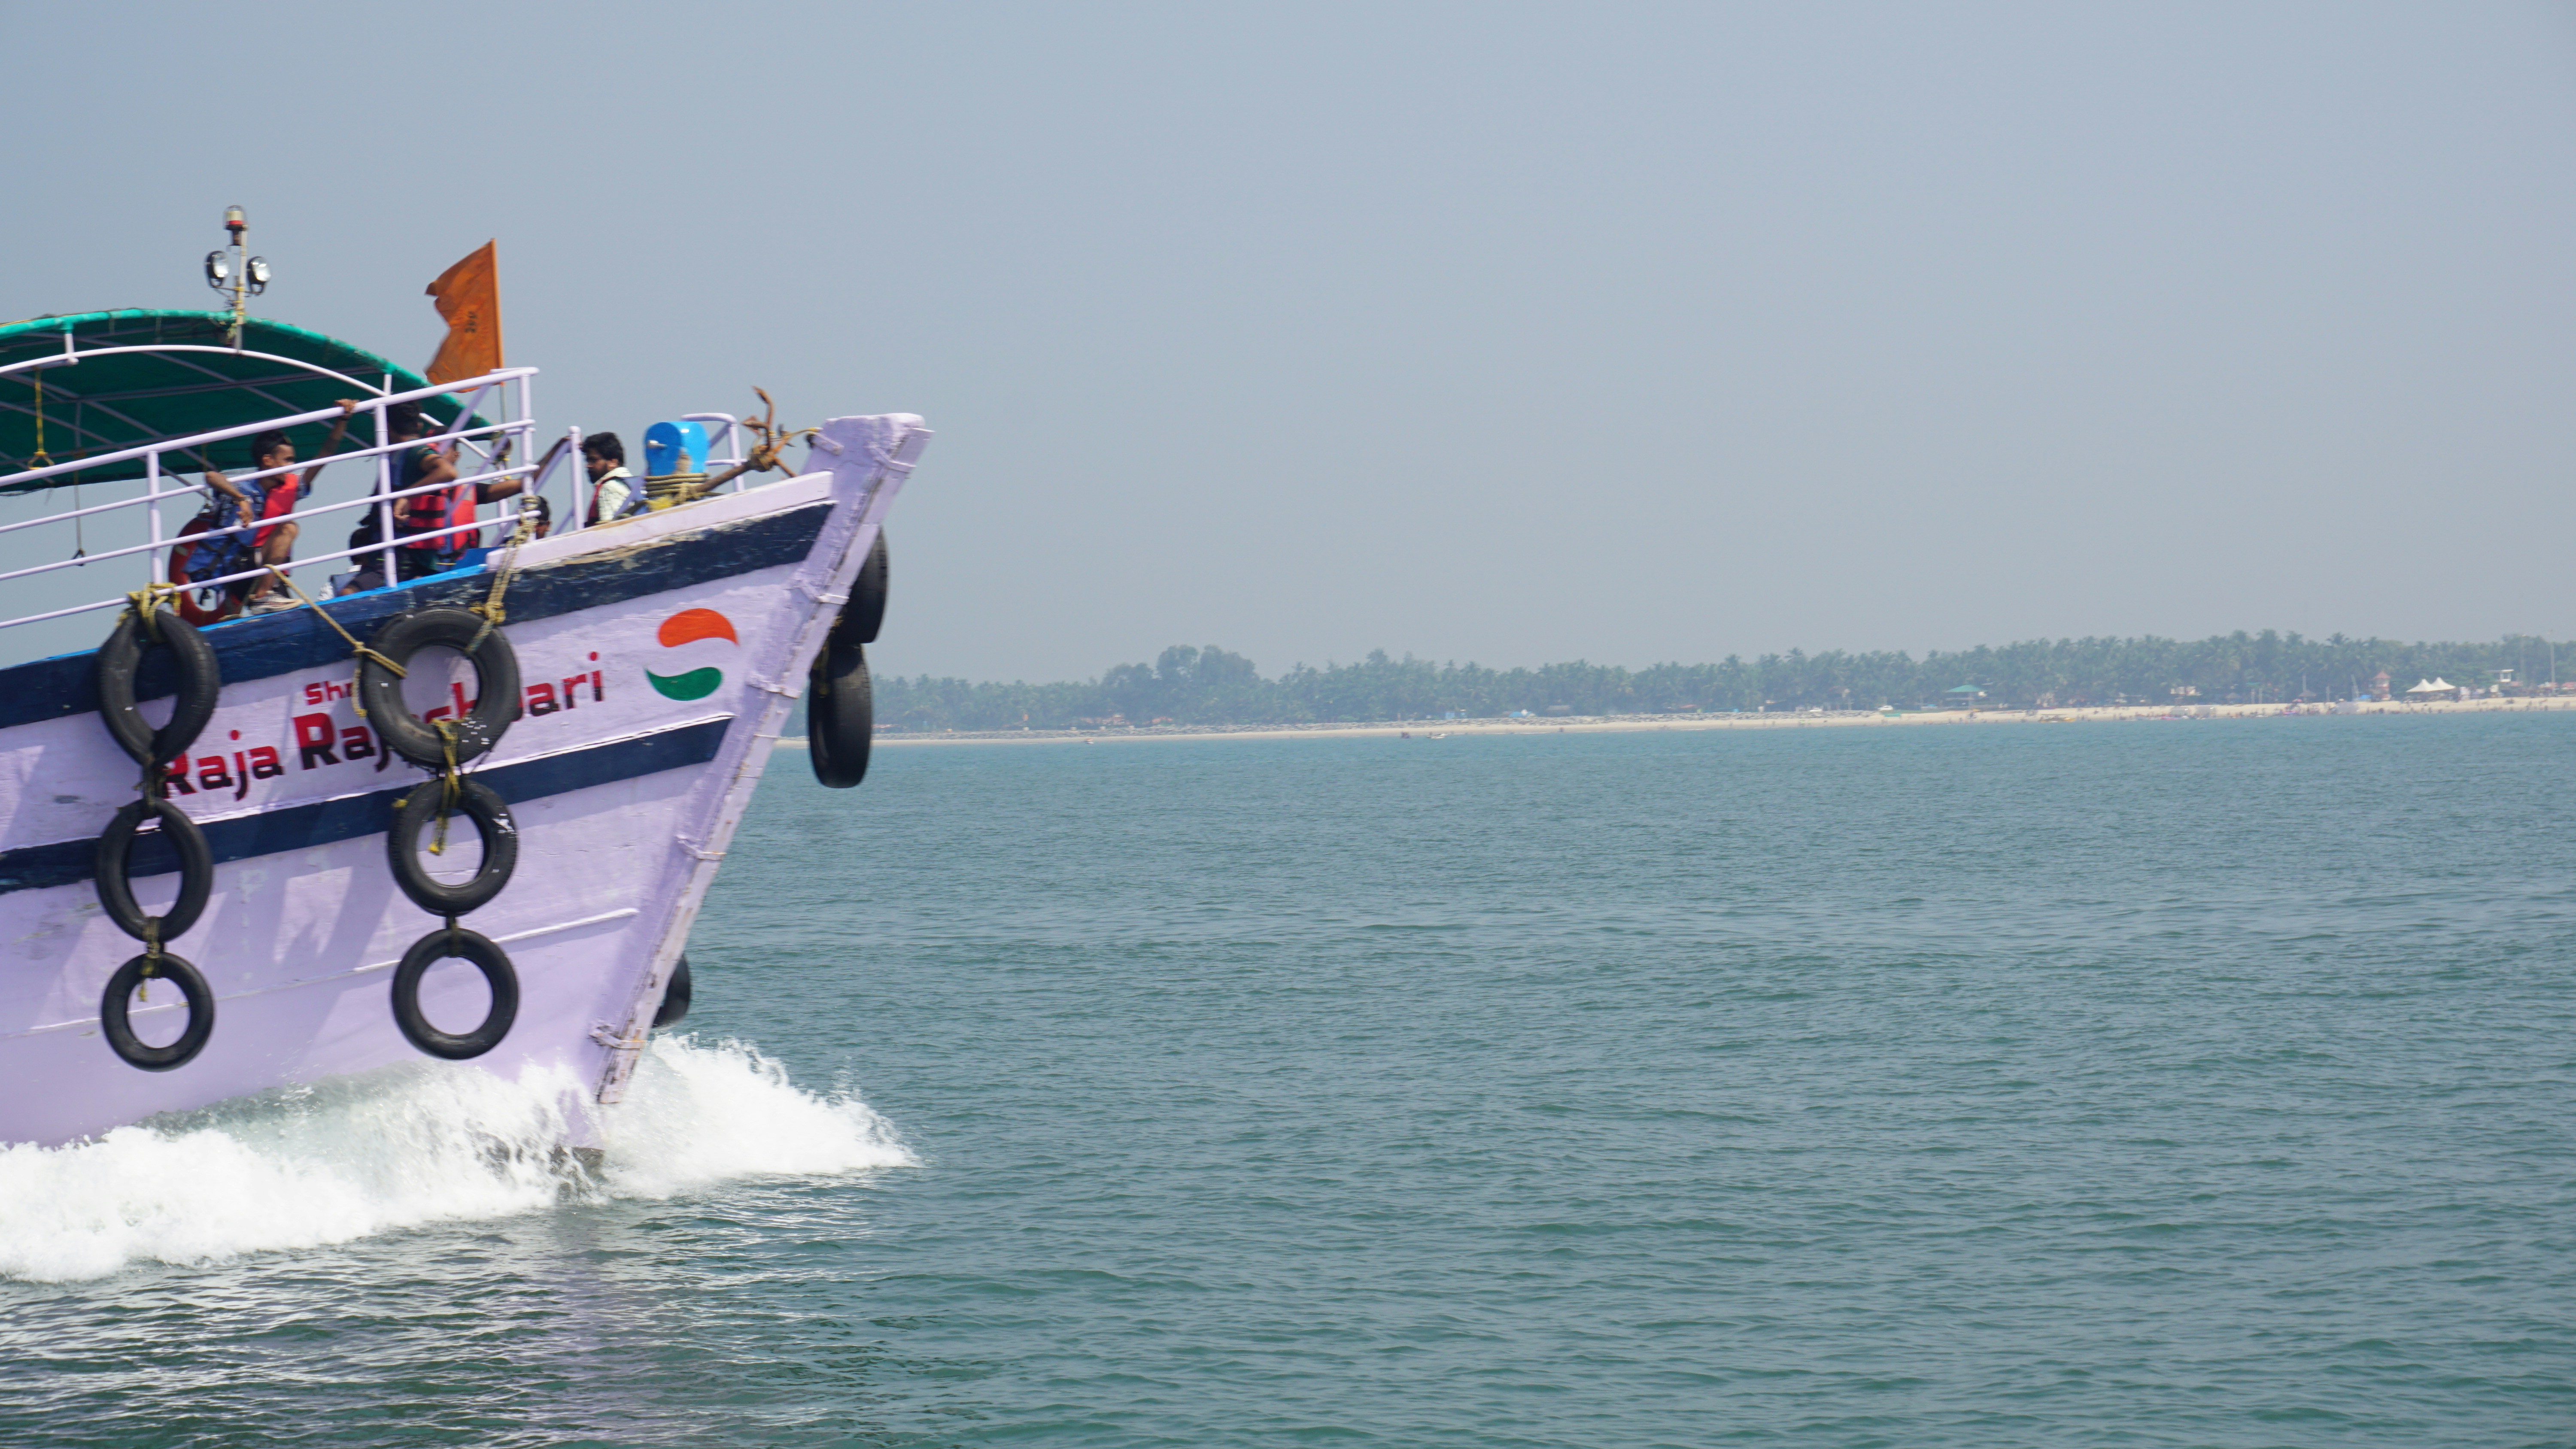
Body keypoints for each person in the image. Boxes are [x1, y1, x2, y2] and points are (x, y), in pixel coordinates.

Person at [582, 433, 645, 525]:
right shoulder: (636, 484)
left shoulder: (609, 488)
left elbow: (610, 530)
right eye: (588, 461)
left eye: (594, 460)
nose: (588, 466)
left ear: (613, 462)